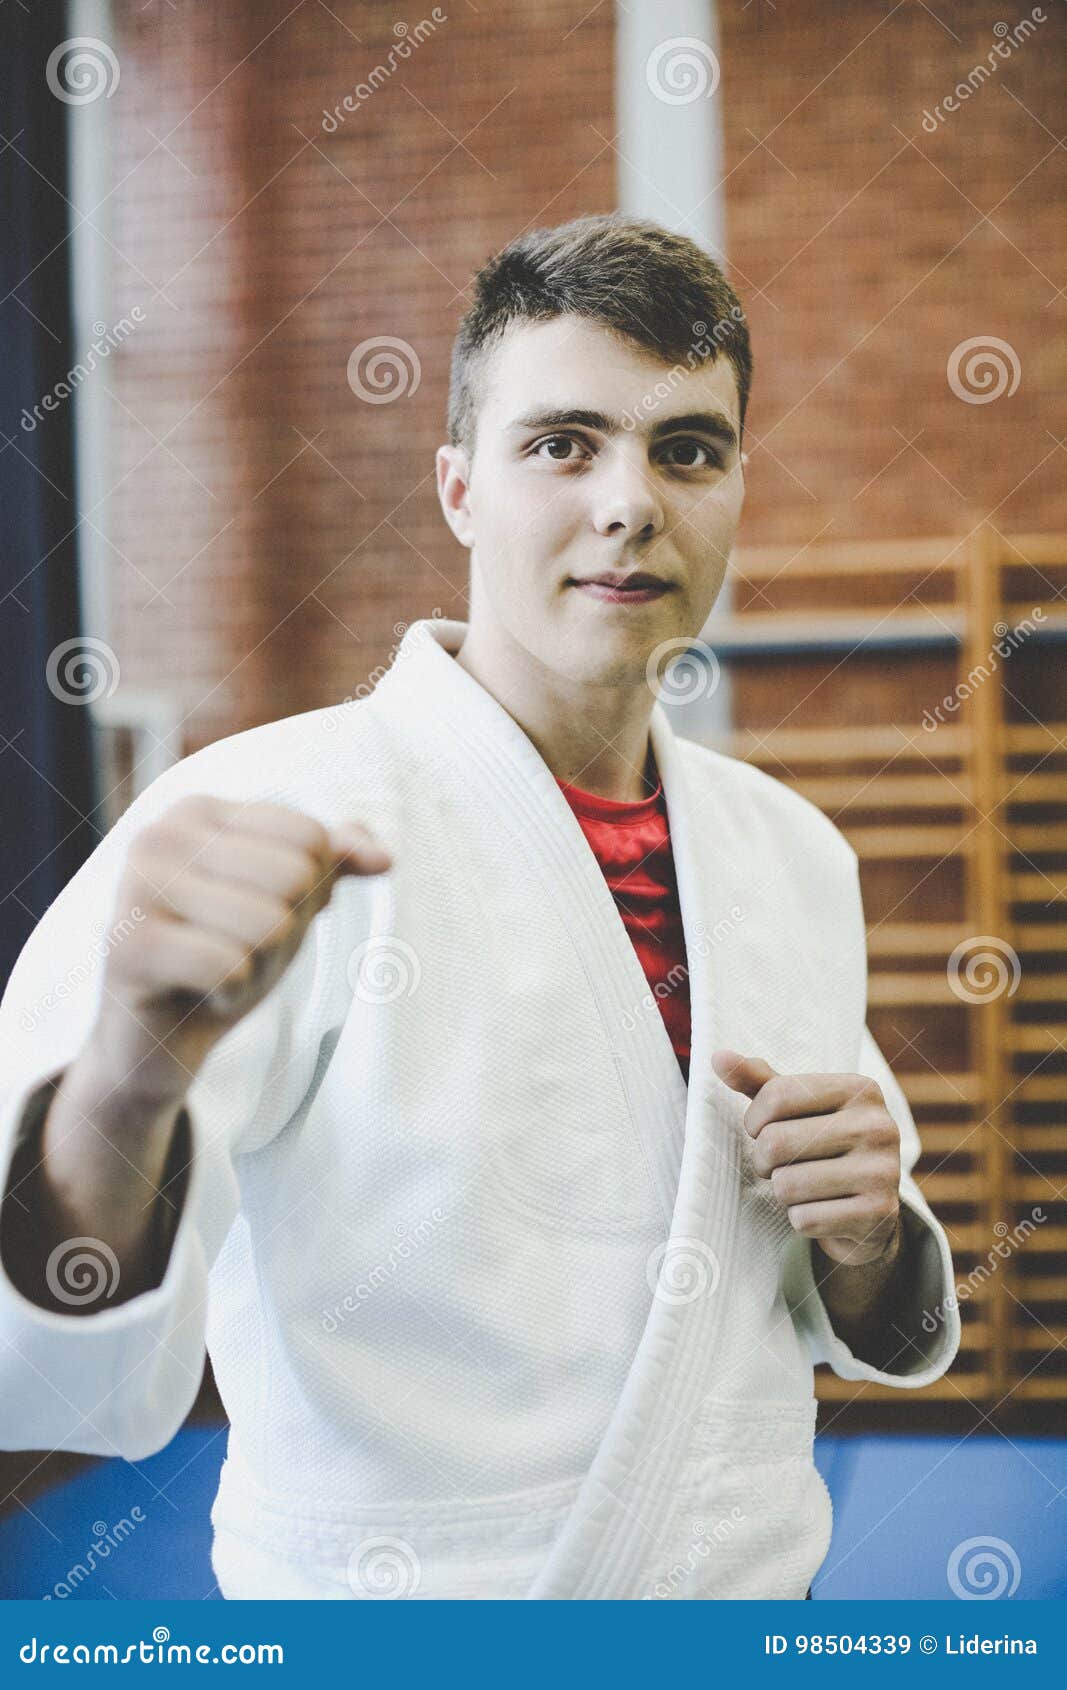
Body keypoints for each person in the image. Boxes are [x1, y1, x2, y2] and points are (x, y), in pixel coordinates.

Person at [0, 212, 960, 1600]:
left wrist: (872, 1238)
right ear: (458, 488)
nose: (629, 500)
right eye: (562, 442)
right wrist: (127, 1078)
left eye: (687, 448)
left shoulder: (793, 854)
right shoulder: (267, 819)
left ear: (738, 485)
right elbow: (43, 1357)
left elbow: (853, 1314)